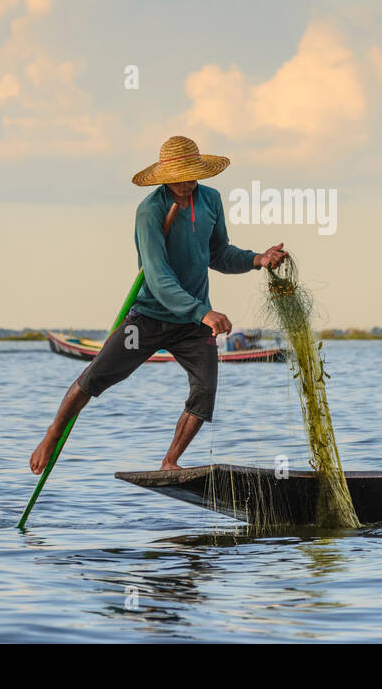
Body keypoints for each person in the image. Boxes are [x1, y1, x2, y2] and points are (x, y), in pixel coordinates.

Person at [29, 136, 287, 474]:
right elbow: (160, 279)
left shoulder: (210, 200)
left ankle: (170, 461)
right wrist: (204, 312)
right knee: (95, 377)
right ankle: (52, 435)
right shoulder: (149, 211)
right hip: (149, 318)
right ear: (165, 177)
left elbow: (219, 253)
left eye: (191, 173)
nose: (186, 182)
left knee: (205, 392)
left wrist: (258, 259)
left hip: (193, 325)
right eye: (178, 176)